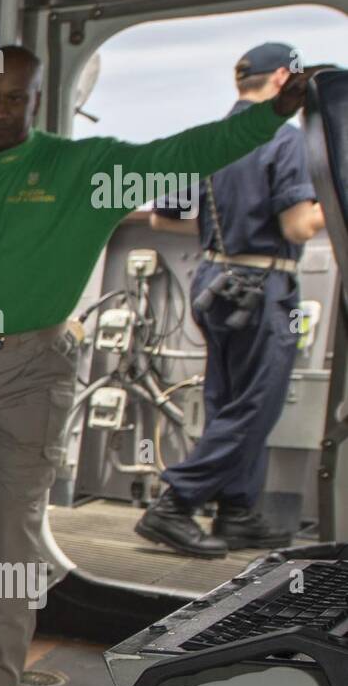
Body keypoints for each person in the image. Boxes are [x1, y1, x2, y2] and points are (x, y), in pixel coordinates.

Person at [0, 44, 321, 686]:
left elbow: (185, 154)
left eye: (13, 99)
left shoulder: (84, 170)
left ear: (35, 104)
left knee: (10, 534)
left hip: (32, 367)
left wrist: (272, 116)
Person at [138, 43, 324, 555]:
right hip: (265, 288)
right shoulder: (284, 140)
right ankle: (176, 502)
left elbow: (163, 217)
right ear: (284, 78)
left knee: (226, 401)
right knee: (255, 407)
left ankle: (236, 512)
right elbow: (298, 223)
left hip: (213, 281)